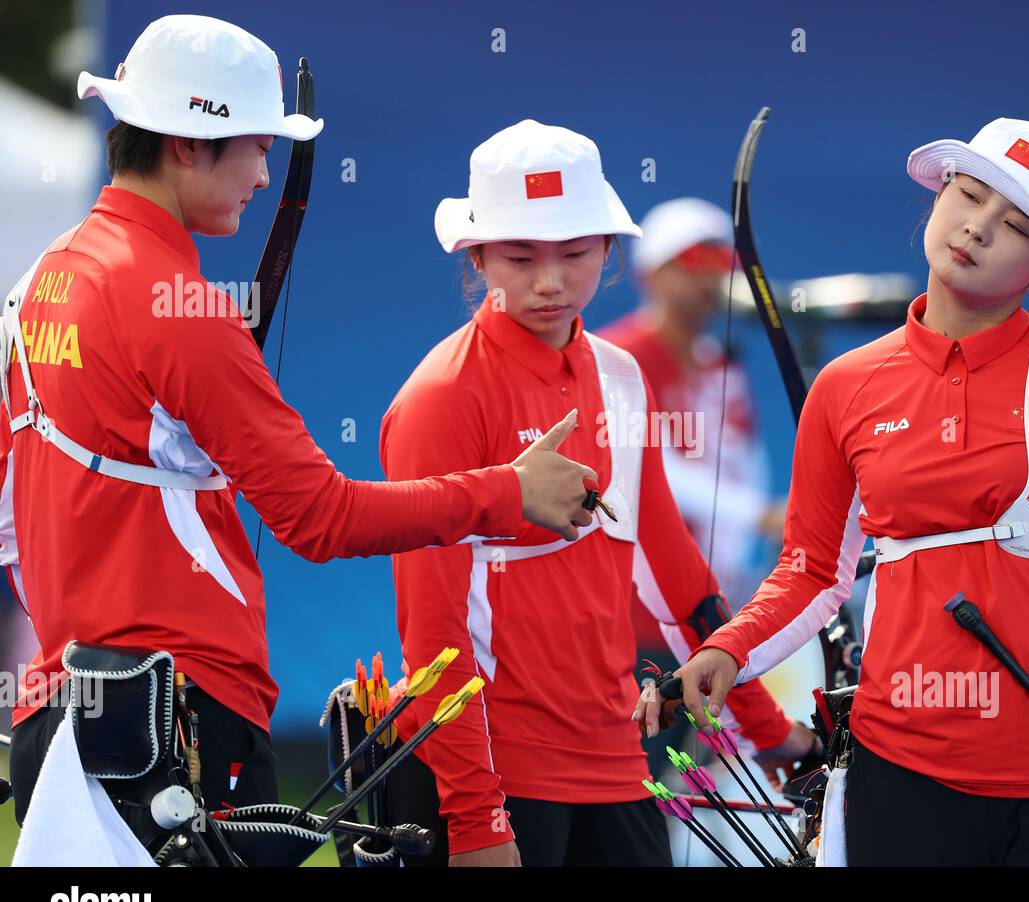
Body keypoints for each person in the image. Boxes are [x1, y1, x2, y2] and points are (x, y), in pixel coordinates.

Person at [1, 16, 595, 840]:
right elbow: (322, 518)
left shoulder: (40, 281)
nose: (263, 174)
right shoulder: (174, 307)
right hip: (176, 723)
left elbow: (11, 528)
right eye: (257, 146)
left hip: (65, 719)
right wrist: (508, 490)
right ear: (188, 144)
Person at [652, 117, 1029, 866]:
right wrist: (731, 648)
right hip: (900, 763)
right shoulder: (844, 388)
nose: (975, 228)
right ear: (939, 194)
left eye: (1013, 225)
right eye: (968, 194)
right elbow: (813, 571)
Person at [379, 119, 812, 867]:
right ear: (477, 256)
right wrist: (477, 818)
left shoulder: (620, 377)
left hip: (618, 762)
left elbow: (678, 574)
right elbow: (433, 632)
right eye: (519, 257)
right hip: (502, 775)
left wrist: (769, 731)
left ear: (610, 253)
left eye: (576, 254)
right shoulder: (443, 396)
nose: (550, 282)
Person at [600, 199, 786, 653]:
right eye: (690, 259)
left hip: (713, 609)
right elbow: (642, 466)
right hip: (633, 613)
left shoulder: (725, 367)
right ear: (651, 273)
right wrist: (760, 514)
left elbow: (745, 462)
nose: (708, 274)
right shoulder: (614, 355)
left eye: (722, 260)